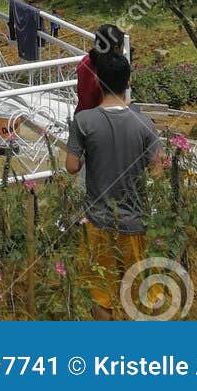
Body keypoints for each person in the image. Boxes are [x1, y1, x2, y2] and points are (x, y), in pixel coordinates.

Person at [64, 49, 161, 319]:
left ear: (97, 82)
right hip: (134, 221)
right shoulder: (145, 124)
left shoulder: (83, 121)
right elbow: (159, 172)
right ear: (128, 82)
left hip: (98, 221)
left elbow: (71, 167)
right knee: (138, 291)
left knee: (100, 291)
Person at [75, 23, 127, 114]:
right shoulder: (107, 71)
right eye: (123, 47)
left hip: (81, 115)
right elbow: (111, 106)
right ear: (116, 48)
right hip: (98, 120)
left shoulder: (85, 60)